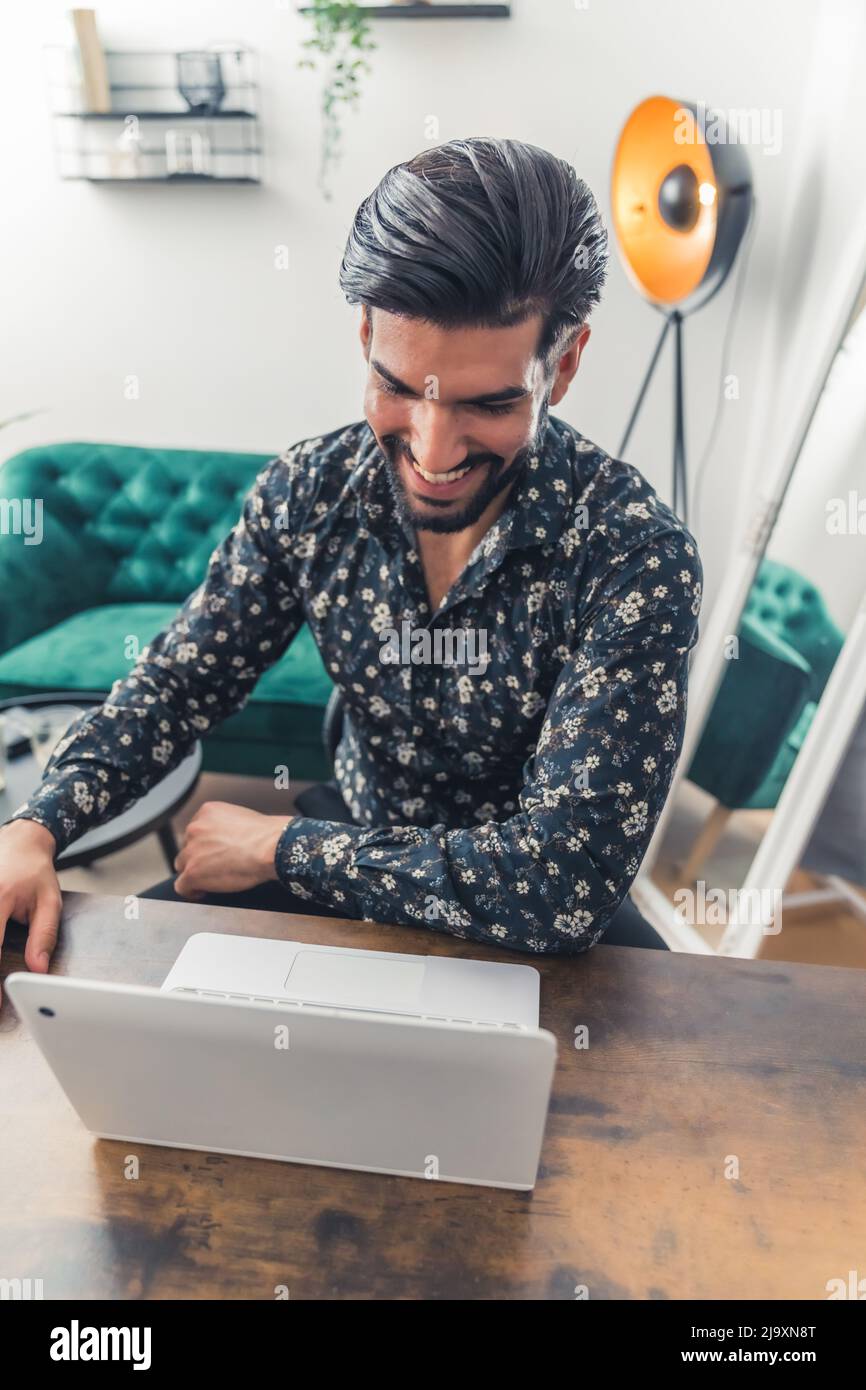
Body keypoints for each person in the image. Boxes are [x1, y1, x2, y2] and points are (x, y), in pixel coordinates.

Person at [0, 138, 702, 980]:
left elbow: (563, 886)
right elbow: (176, 687)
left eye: (491, 403)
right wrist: (34, 828)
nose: (434, 451)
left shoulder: (634, 555)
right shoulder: (307, 492)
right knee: (107, 1002)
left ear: (567, 362)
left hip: (533, 921)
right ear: (367, 333)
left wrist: (286, 848)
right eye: (399, 388)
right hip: (349, 843)